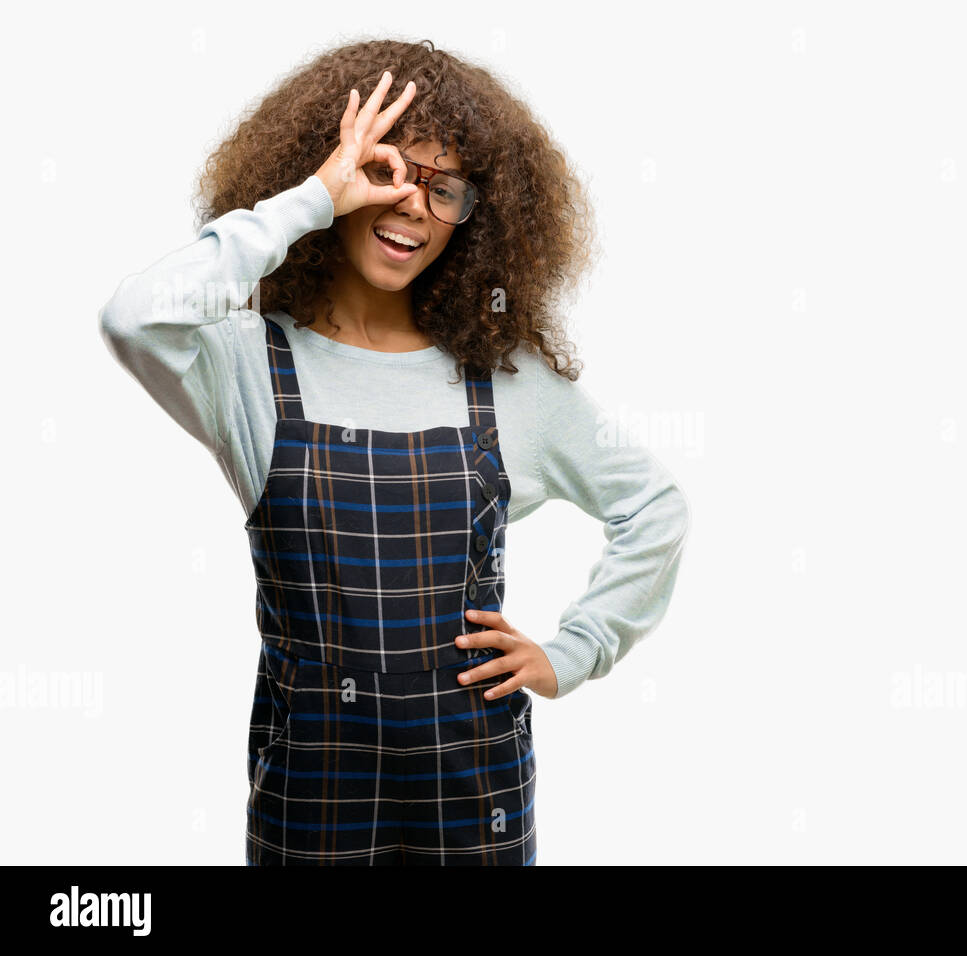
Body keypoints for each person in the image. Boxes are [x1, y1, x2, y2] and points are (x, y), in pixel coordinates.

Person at [98, 39, 690, 866]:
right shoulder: (244, 367)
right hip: (308, 804)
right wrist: (310, 199)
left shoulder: (505, 384)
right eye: (389, 172)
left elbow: (653, 506)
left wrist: (571, 654)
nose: (415, 205)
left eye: (445, 189)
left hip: (475, 799)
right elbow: (133, 317)